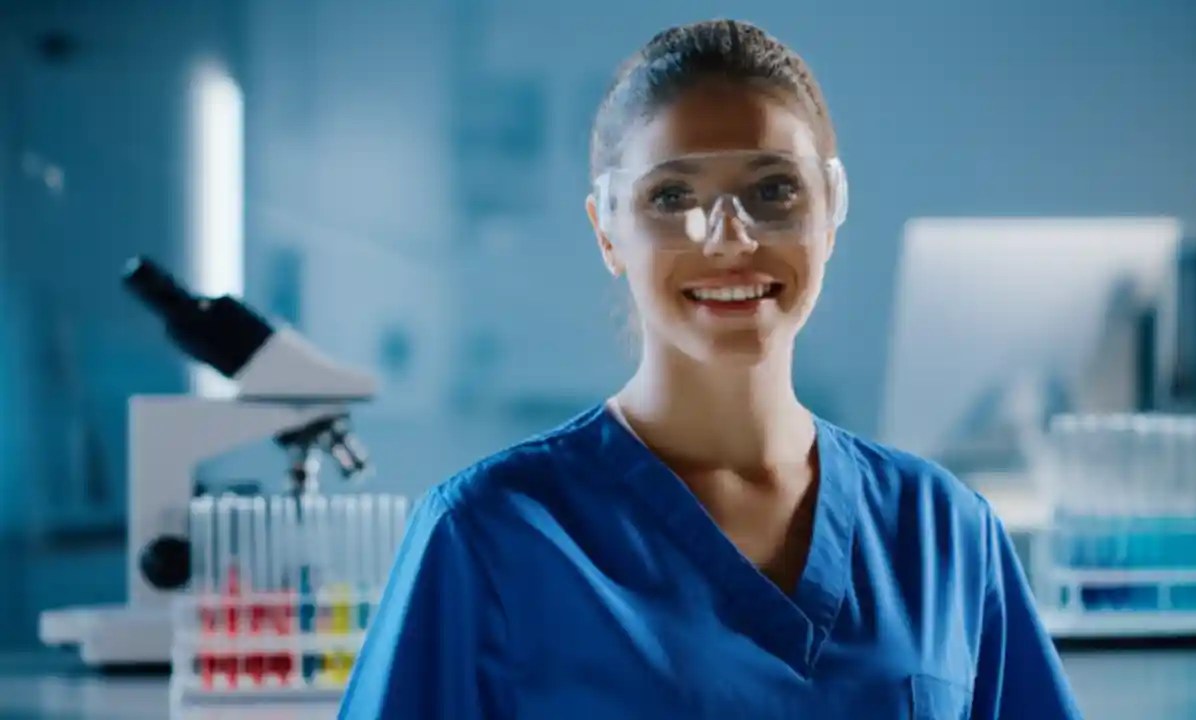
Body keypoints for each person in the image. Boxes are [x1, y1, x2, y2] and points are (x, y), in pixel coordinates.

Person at [340, 18, 1081, 719]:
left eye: (773, 191)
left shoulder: (943, 532)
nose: (730, 239)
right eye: (672, 197)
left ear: (830, 211)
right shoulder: (490, 535)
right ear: (608, 232)